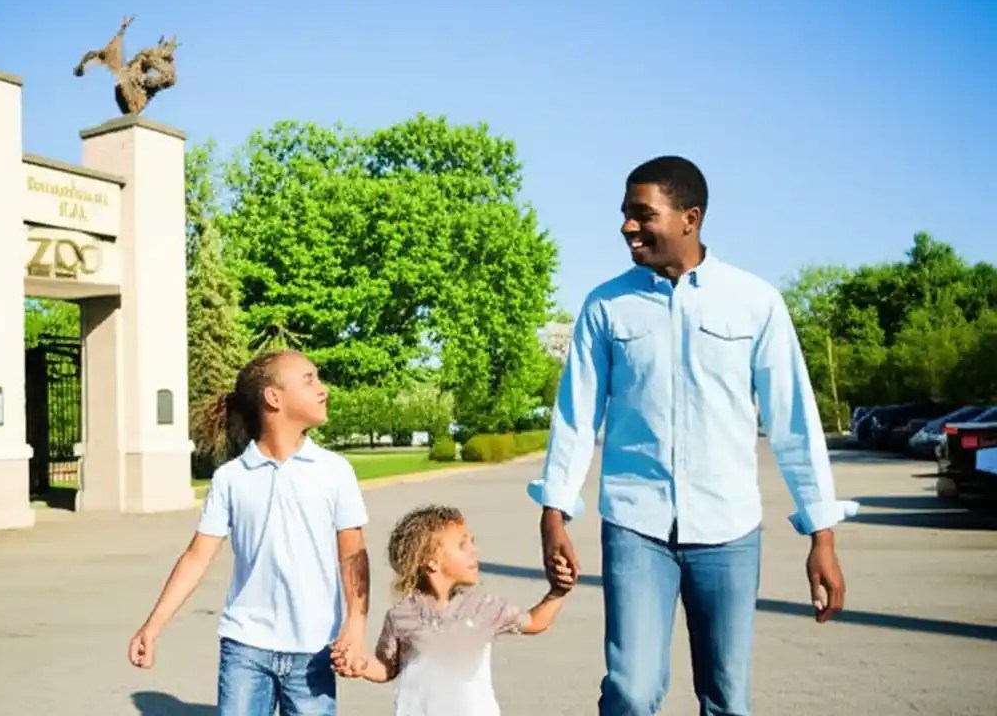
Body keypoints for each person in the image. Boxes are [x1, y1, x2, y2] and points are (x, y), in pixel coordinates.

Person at [528, 155, 859, 715]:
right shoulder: (606, 306)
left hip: (728, 531)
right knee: (631, 691)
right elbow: (576, 415)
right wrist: (554, 512)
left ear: (690, 217)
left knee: (726, 699)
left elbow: (793, 420)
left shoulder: (754, 302)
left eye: (641, 213)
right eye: (625, 214)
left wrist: (822, 537)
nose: (627, 227)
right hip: (636, 525)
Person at [127, 349, 372, 716]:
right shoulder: (231, 478)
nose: (323, 389)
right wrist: (153, 625)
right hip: (245, 646)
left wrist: (355, 625)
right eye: (309, 380)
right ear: (273, 397)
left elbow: (352, 554)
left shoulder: (335, 471)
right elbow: (197, 557)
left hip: (315, 649)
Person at [331, 504, 571, 716]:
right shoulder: (401, 616)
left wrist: (558, 591)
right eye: (462, 545)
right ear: (430, 561)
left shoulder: (483, 608)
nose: (474, 551)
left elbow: (535, 621)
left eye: (472, 543)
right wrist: (360, 664)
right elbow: (387, 669)